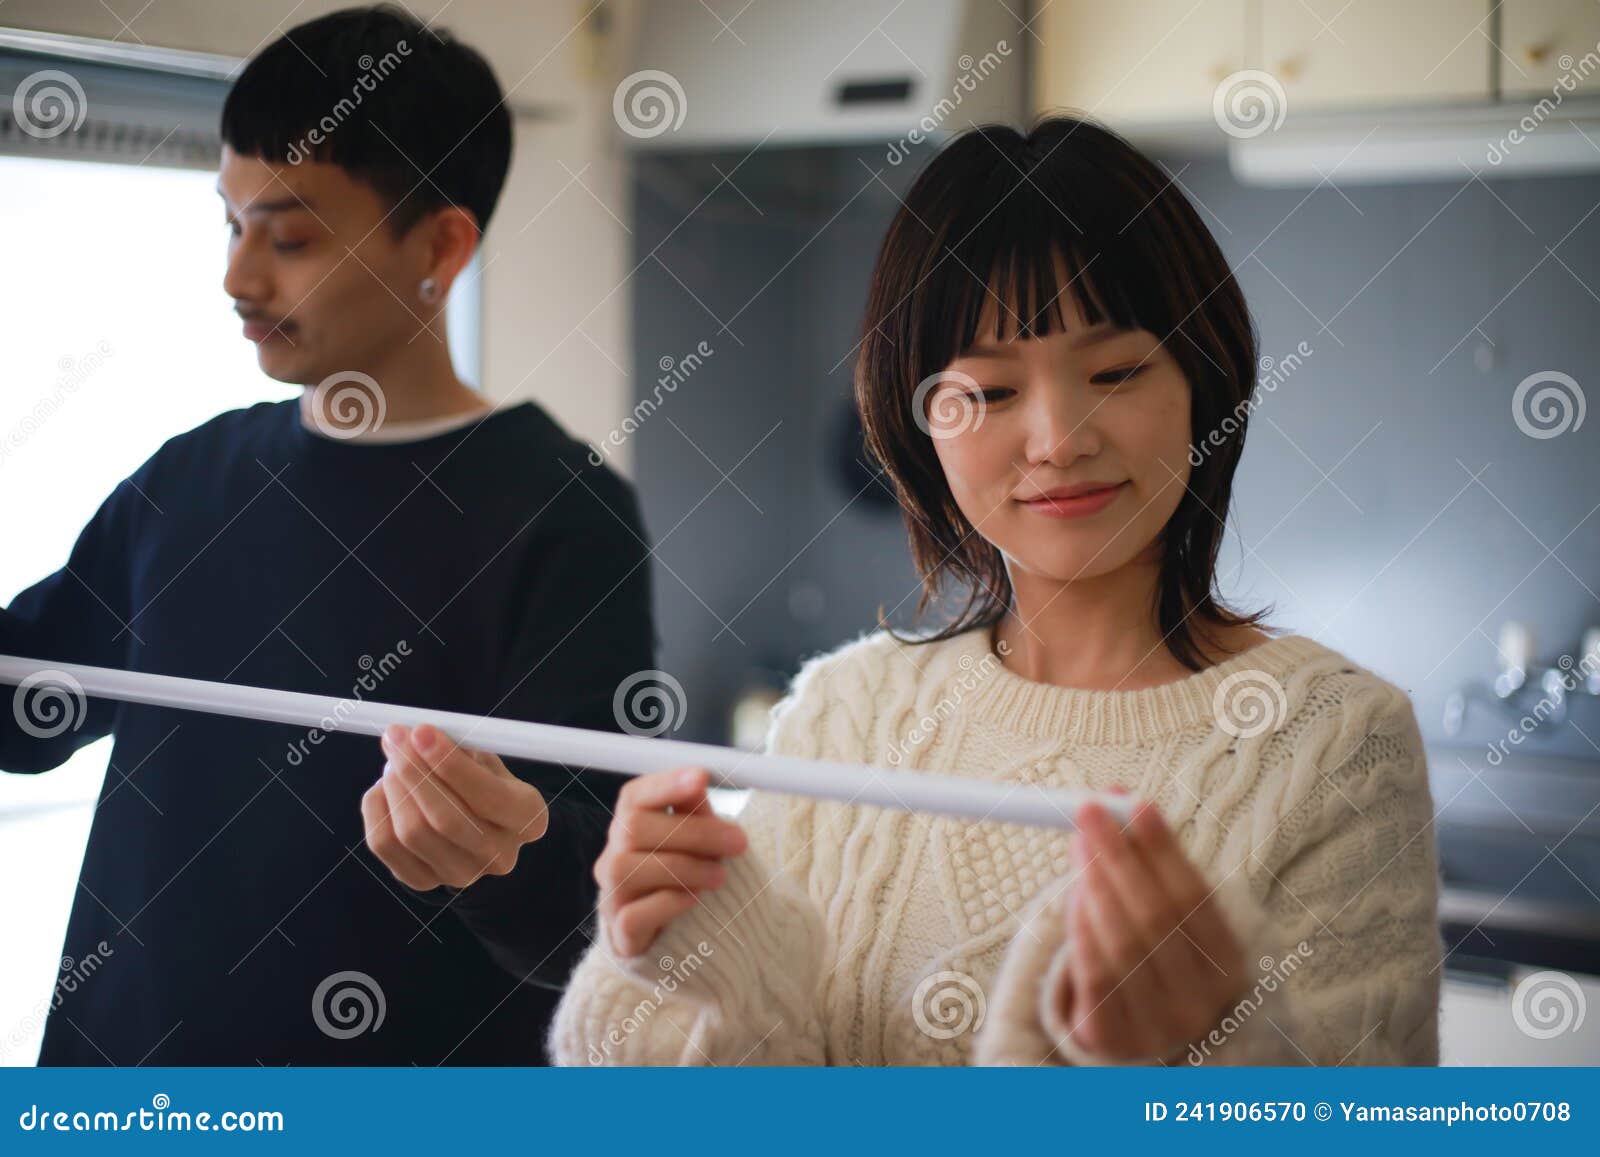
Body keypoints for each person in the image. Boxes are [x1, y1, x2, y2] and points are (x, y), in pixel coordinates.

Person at [533, 114, 1442, 1066]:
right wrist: (708, 969)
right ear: (920, 424)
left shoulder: (1336, 743)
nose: (1060, 439)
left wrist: (1217, 1047)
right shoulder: (846, 713)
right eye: (993, 391)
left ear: (1205, 382)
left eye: (1116, 370)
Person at [0, 5, 653, 1064]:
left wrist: (504, 841)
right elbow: (23, 711)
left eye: (291, 236)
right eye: (231, 223)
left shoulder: (560, 513)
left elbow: (599, 904)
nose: (239, 277)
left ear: (440, 245)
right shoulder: (189, 477)